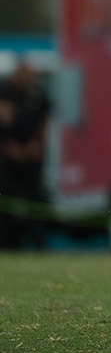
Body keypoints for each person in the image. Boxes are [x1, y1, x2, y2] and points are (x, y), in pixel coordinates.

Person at [0, 61, 50, 251]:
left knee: (36, 204)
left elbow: (43, 124)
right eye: (28, 75)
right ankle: (8, 245)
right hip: (7, 163)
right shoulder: (6, 93)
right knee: (7, 205)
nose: (32, 80)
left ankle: (39, 245)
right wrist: (9, 148)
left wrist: (36, 146)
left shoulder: (38, 97)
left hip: (31, 161)